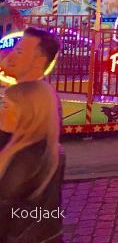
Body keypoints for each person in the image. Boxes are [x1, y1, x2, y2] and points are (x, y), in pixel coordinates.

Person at [0, 80, 65, 242]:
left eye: (6, 106)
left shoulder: (26, 158)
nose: (1, 112)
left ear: (27, 113)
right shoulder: (48, 148)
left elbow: (3, 209)